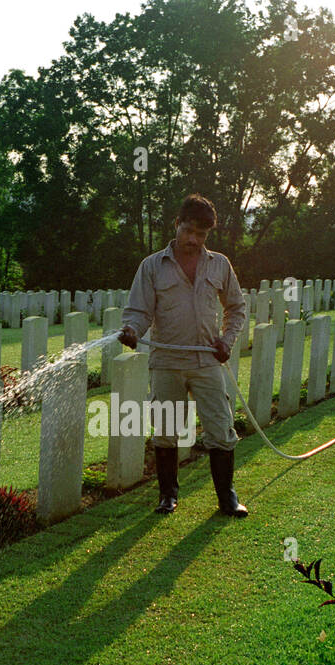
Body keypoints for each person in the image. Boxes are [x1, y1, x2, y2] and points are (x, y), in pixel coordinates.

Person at [117, 194, 249, 517]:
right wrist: (132, 331)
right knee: (165, 430)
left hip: (206, 361)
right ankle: (168, 495)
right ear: (177, 224)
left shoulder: (219, 264)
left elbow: (236, 307)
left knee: (220, 428)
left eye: (201, 235)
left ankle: (226, 498)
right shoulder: (152, 266)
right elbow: (139, 311)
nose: (193, 240)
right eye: (188, 231)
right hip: (167, 361)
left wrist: (227, 340)